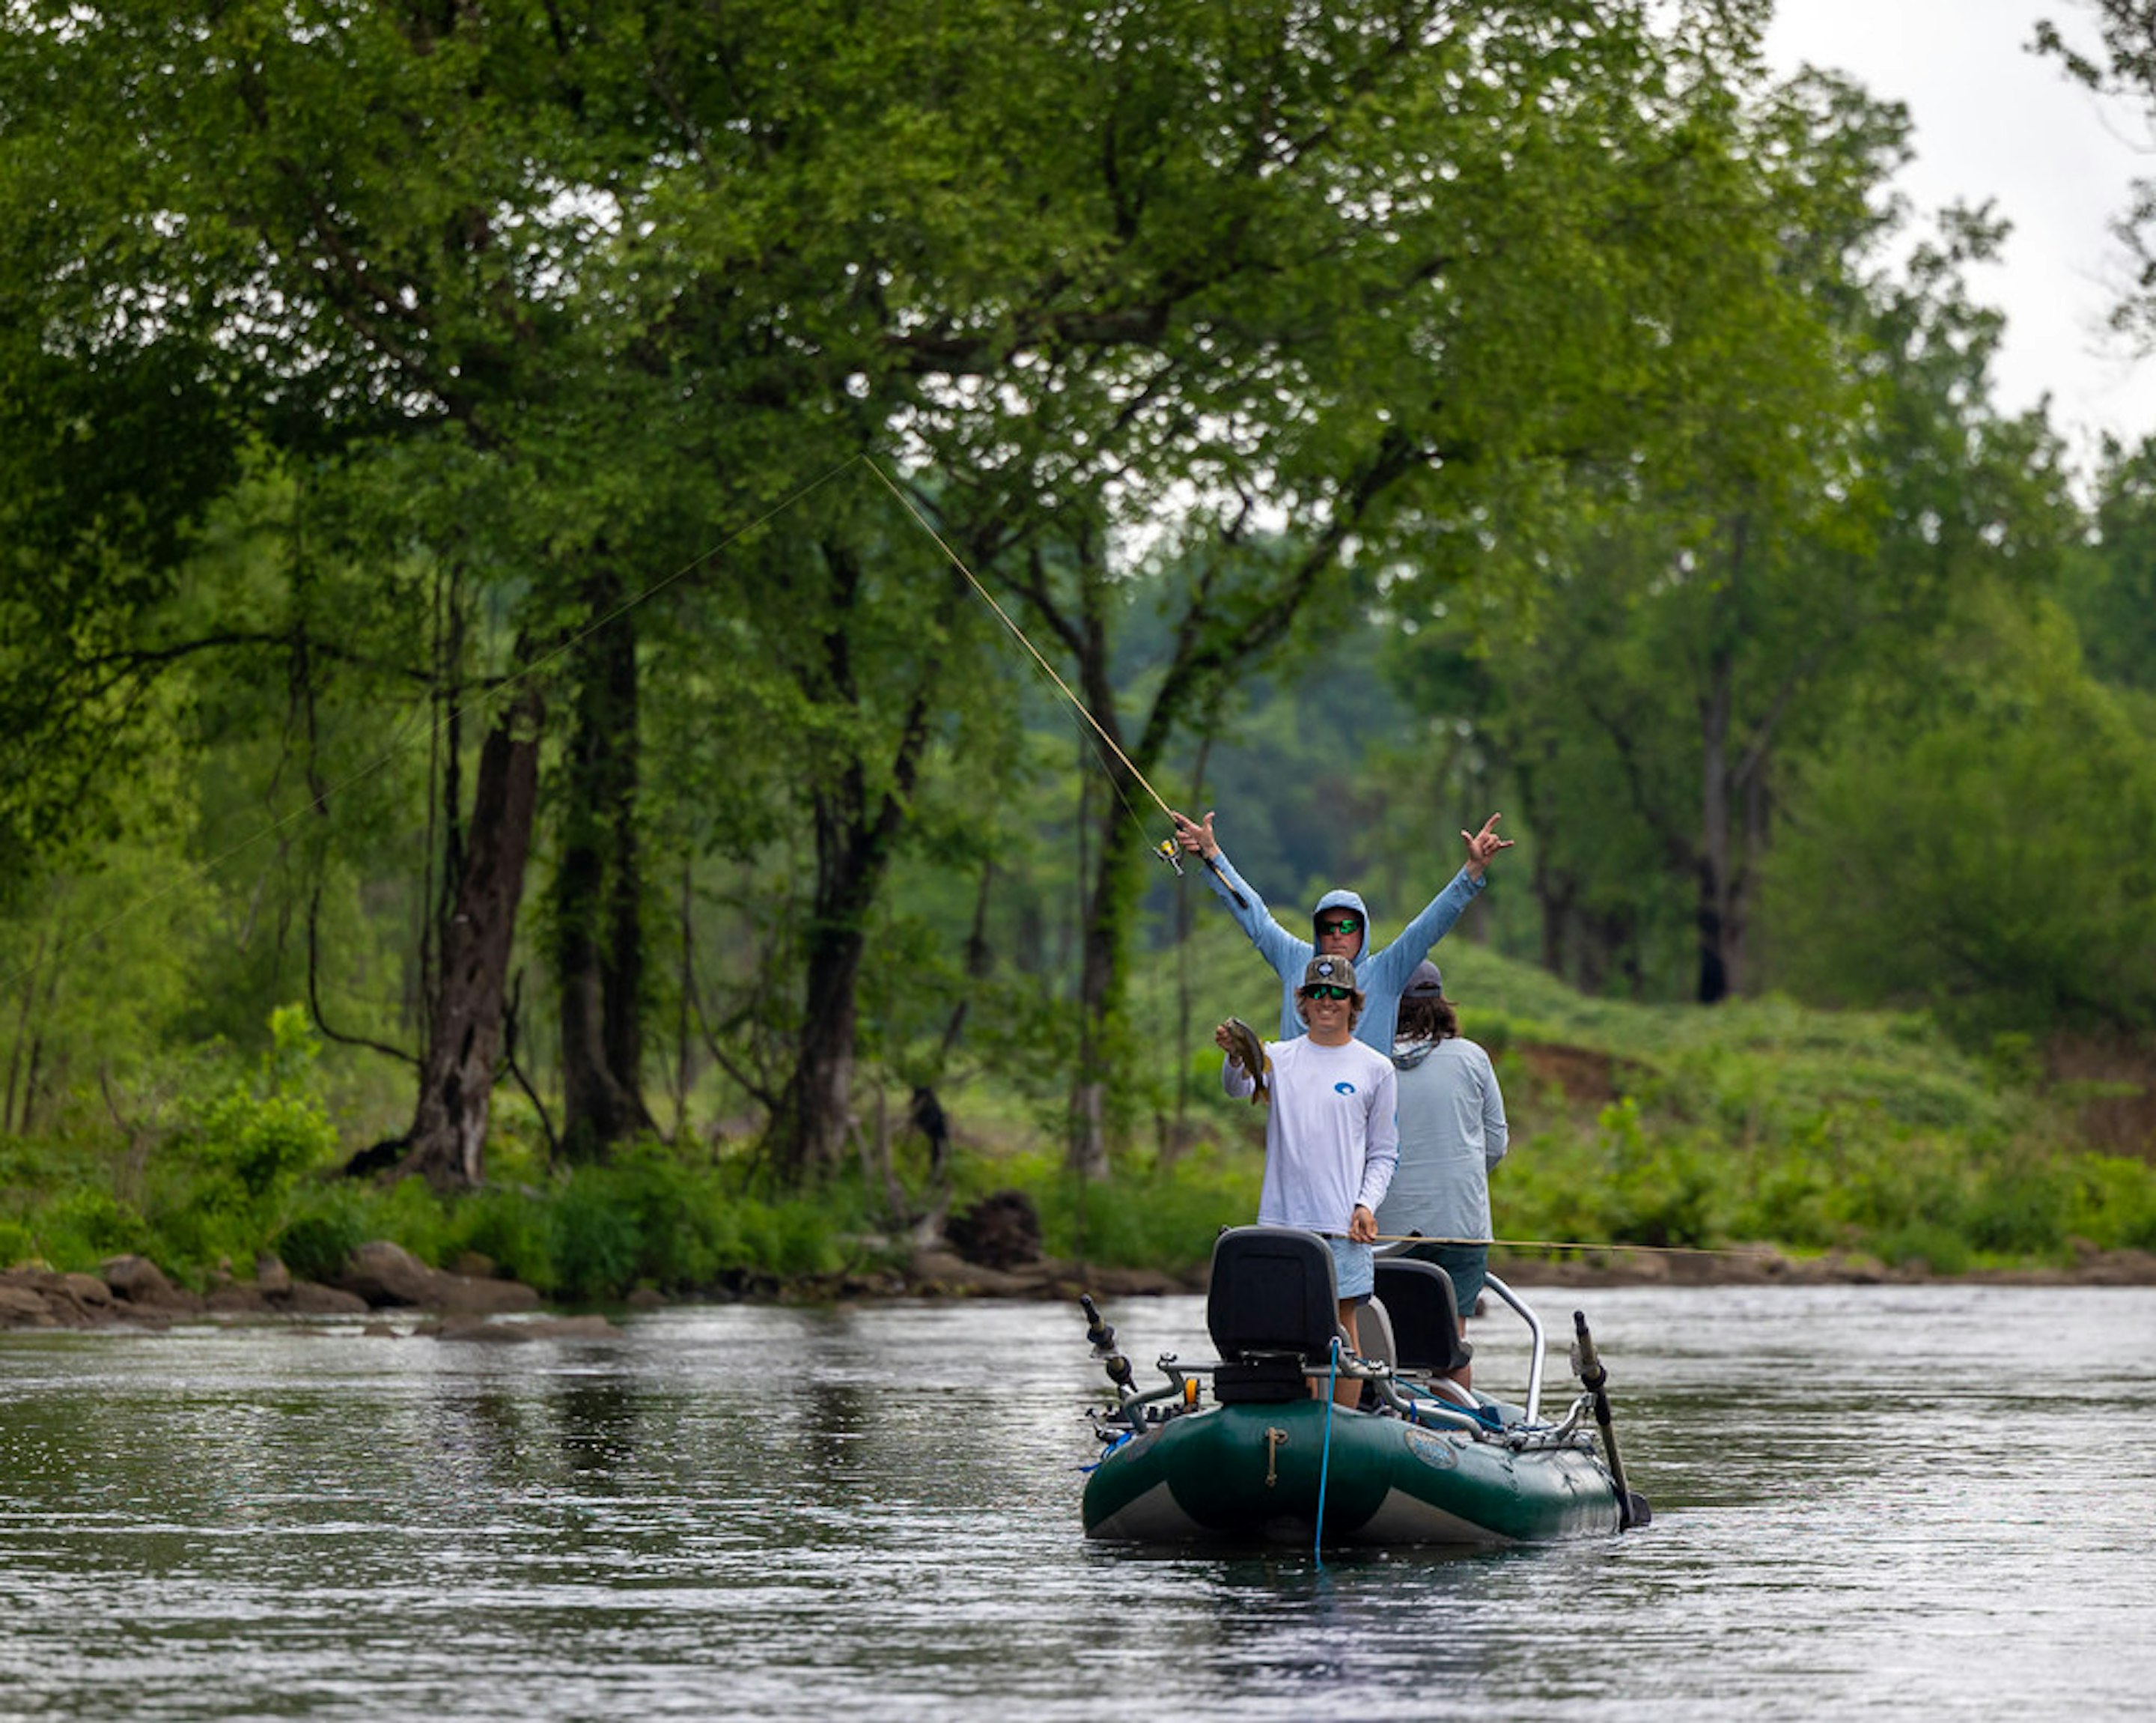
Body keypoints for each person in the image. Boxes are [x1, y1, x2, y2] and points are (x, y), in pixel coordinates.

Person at [1172, 806, 1511, 1054]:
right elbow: (1254, 916)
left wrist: (1472, 872)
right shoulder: (1295, 961)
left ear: (1363, 931)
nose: (1338, 934)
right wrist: (1213, 856)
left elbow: (1427, 927)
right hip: (1300, 1115)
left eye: (1348, 926)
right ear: (1317, 931)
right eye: (1328, 926)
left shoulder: (1386, 972)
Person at [1216, 952, 1398, 1407]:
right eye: (1317, 992)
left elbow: (1383, 1153)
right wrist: (1235, 1056)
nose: (1326, 1001)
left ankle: (1344, 1424)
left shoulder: (1376, 1068)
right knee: (1289, 1335)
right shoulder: (1278, 1057)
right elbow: (1237, 1087)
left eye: (1337, 993)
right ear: (1303, 1001)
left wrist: (1366, 1205)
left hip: (1342, 1228)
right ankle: (1303, 1424)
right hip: (1282, 1223)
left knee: (1343, 1332)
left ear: (1353, 1002)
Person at [1374, 959, 1508, 1391]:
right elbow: (1496, 1143)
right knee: (1451, 1342)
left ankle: (1390, 1420)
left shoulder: (1369, 1061)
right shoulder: (1473, 1058)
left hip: (1386, 1228)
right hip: (1461, 1224)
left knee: (1383, 1340)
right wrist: (1458, 1176)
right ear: (1443, 1004)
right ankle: (1452, 1424)